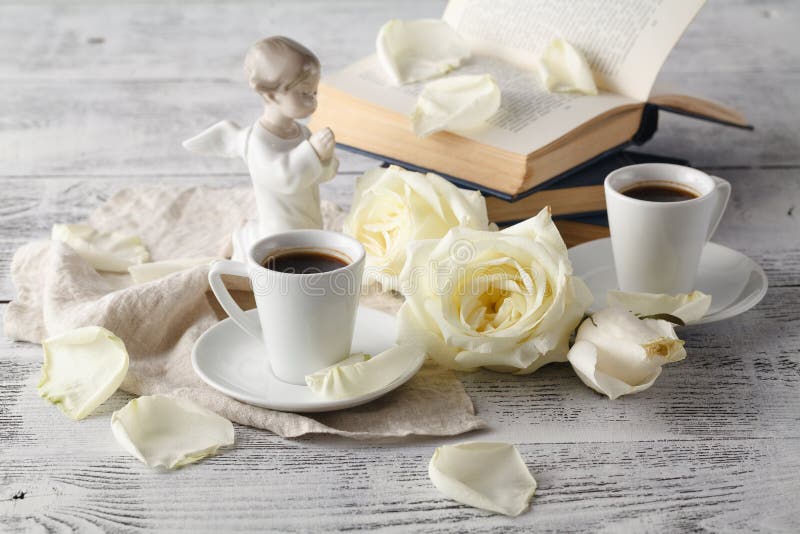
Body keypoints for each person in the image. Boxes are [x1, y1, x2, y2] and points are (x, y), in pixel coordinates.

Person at [183, 36, 339, 249]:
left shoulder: (301, 132)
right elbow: (282, 178)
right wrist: (312, 151)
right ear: (272, 96)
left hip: (308, 218)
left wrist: (326, 157)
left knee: (310, 249)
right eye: (304, 93)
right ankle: (244, 239)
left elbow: (320, 175)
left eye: (314, 92)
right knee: (285, 259)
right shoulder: (256, 141)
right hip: (280, 227)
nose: (313, 100)